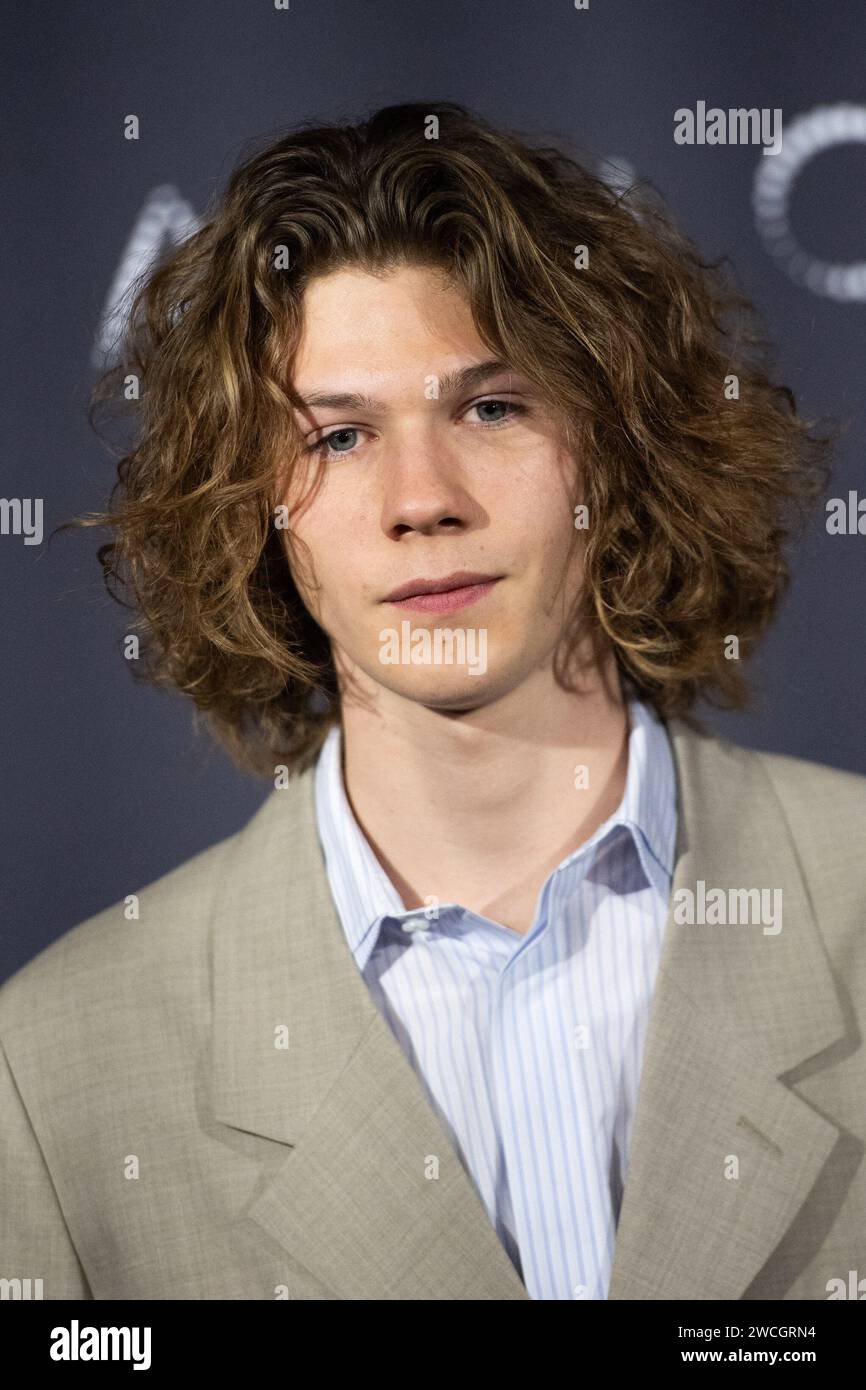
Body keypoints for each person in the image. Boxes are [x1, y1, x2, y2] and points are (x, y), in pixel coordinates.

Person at [2, 101, 864, 1302]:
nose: (422, 497)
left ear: (618, 453)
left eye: (490, 408)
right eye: (340, 436)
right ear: (255, 507)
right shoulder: (54, 1070)